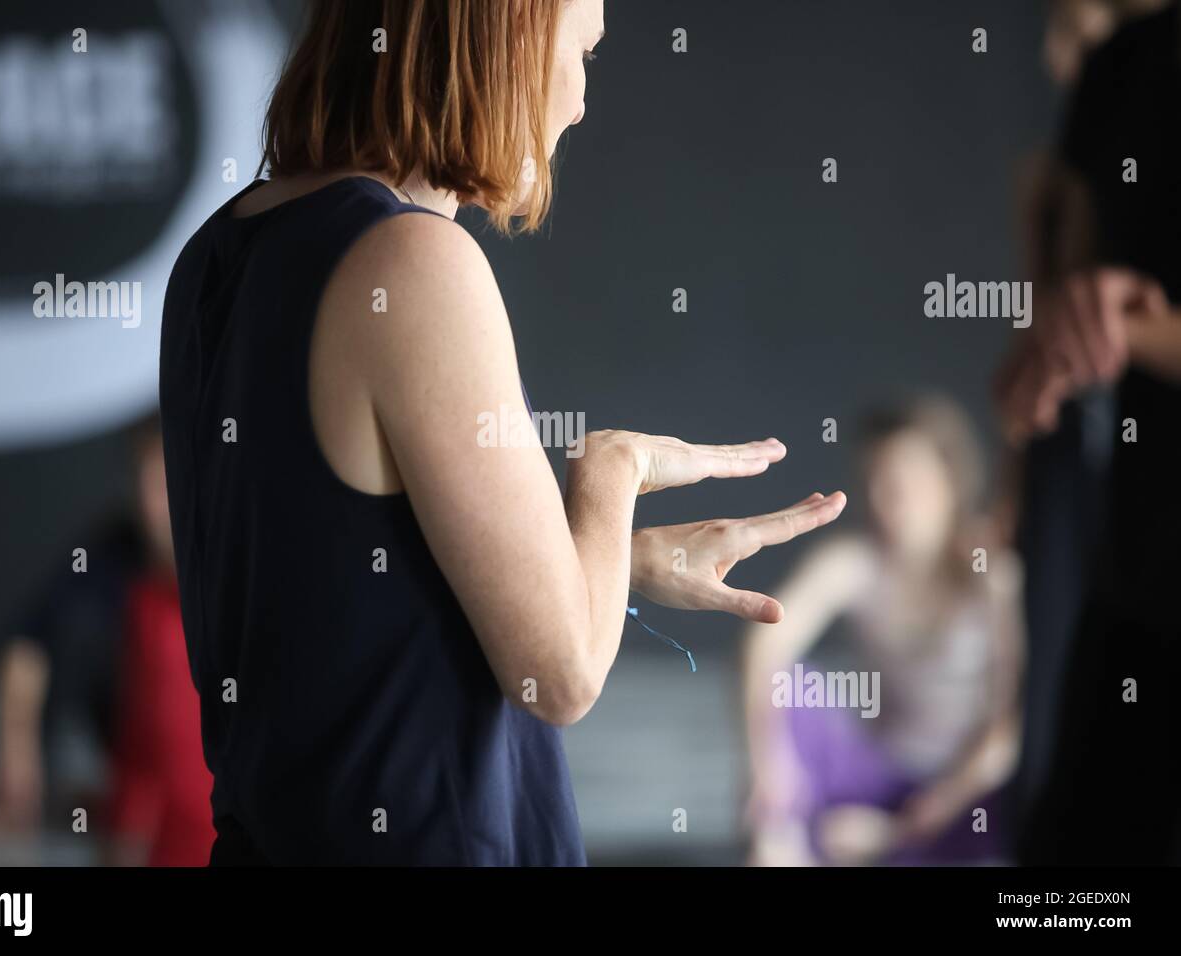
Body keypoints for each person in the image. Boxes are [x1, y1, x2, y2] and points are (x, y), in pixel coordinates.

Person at [158, 0, 846, 866]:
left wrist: (606, 565)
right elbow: (559, 676)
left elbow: (336, 585)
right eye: (583, 52)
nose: (582, 100)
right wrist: (612, 469)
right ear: (507, 35)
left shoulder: (216, 254)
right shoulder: (412, 260)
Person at [997, 0, 1181, 864]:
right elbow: (1071, 299)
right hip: (1138, 578)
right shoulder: (1123, 71)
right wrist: (1053, 347)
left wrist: (1139, 329)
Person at [741, 399, 1023, 866]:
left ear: (949, 481)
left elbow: (1008, 728)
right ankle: (779, 847)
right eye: (874, 478)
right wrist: (765, 768)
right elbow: (763, 643)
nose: (884, 496)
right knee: (790, 683)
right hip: (873, 776)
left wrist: (898, 831)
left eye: (904, 479)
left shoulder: (990, 571)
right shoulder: (855, 560)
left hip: (958, 793)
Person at [0, 416, 215, 866]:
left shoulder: (241, 562)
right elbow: (25, 648)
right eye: (145, 485)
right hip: (140, 822)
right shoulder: (113, 556)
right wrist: (18, 780)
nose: (155, 508)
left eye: (170, 485)